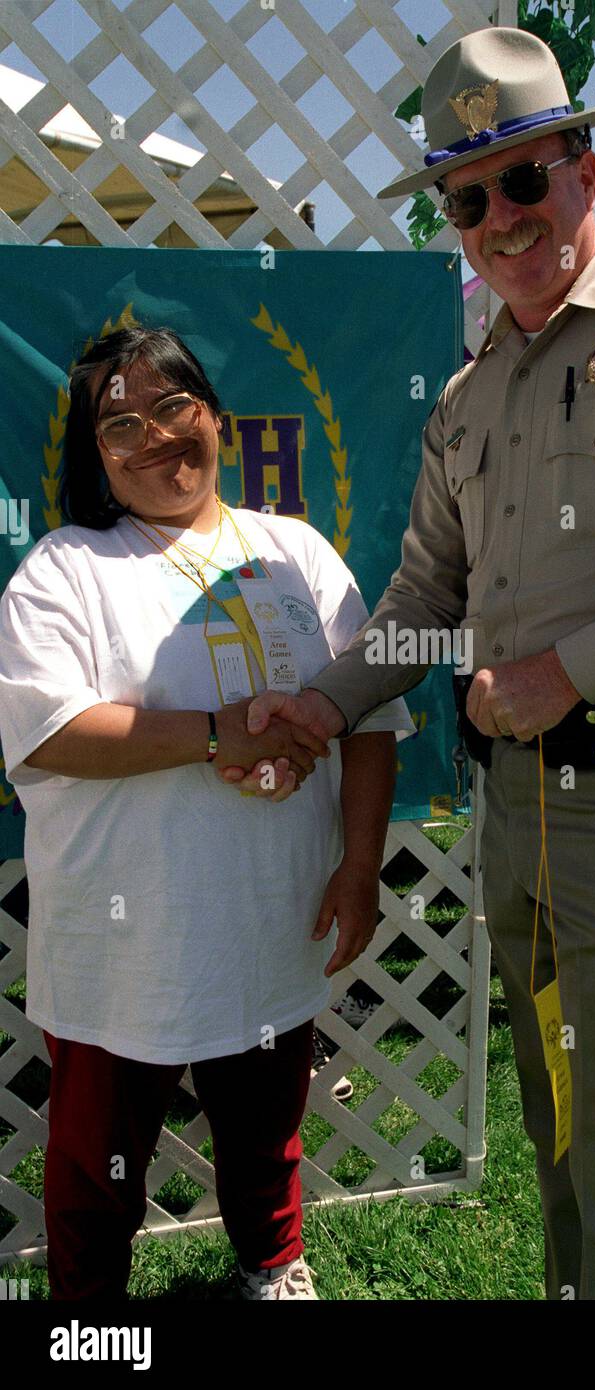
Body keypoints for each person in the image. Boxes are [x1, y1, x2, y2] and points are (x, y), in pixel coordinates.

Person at [222, 27, 595, 1301]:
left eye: (522, 180)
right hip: (521, 812)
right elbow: (424, 599)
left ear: (585, 172)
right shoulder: (468, 398)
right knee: (557, 1139)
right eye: (467, 197)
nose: (499, 219)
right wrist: (320, 703)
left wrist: (567, 669)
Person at [0, 325, 412, 1301]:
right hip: (124, 941)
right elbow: (46, 729)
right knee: (98, 1156)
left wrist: (357, 866)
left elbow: (370, 718)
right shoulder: (65, 567)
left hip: (272, 919)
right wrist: (218, 734)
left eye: (173, 406)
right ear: (95, 456)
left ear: (216, 417)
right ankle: (91, 1318)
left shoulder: (298, 552)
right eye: (119, 423)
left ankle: (272, 1267)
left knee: (267, 1122)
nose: (153, 436)